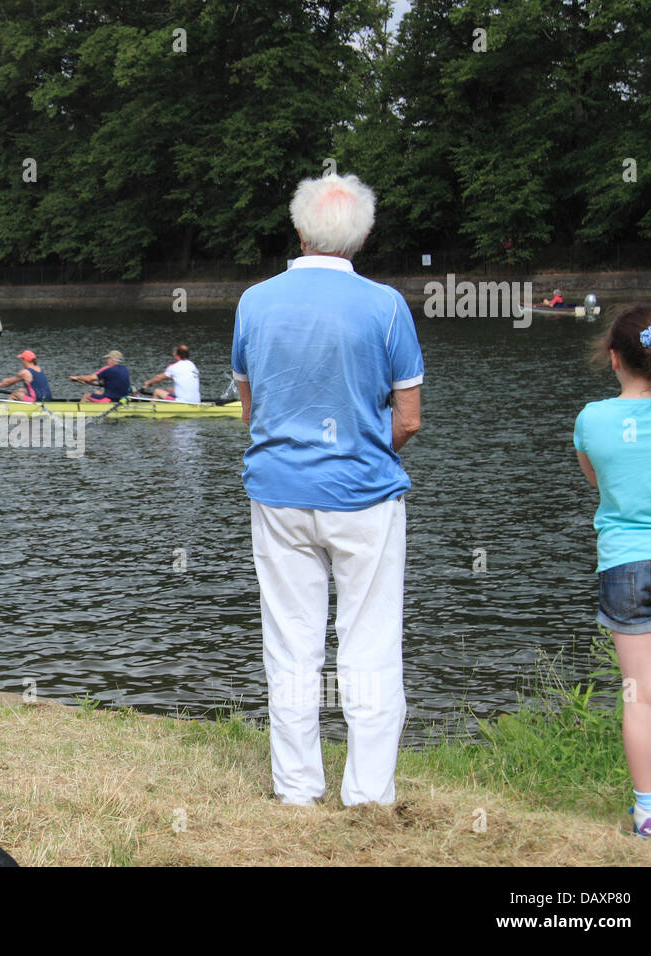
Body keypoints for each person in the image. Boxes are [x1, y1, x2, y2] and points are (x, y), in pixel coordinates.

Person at [231, 173, 423, 807]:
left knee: (291, 641)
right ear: (363, 237)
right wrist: (360, 450)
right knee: (369, 641)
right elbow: (409, 417)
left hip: (279, 493)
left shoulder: (254, 301)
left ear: (298, 229)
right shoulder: (387, 305)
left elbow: (251, 409)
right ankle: (368, 793)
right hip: (366, 496)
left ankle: (296, 788)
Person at [573, 304, 651, 839]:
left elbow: (601, 485)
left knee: (639, 692)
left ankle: (647, 814)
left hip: (623, 566)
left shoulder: (591, 419)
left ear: (614, 358)